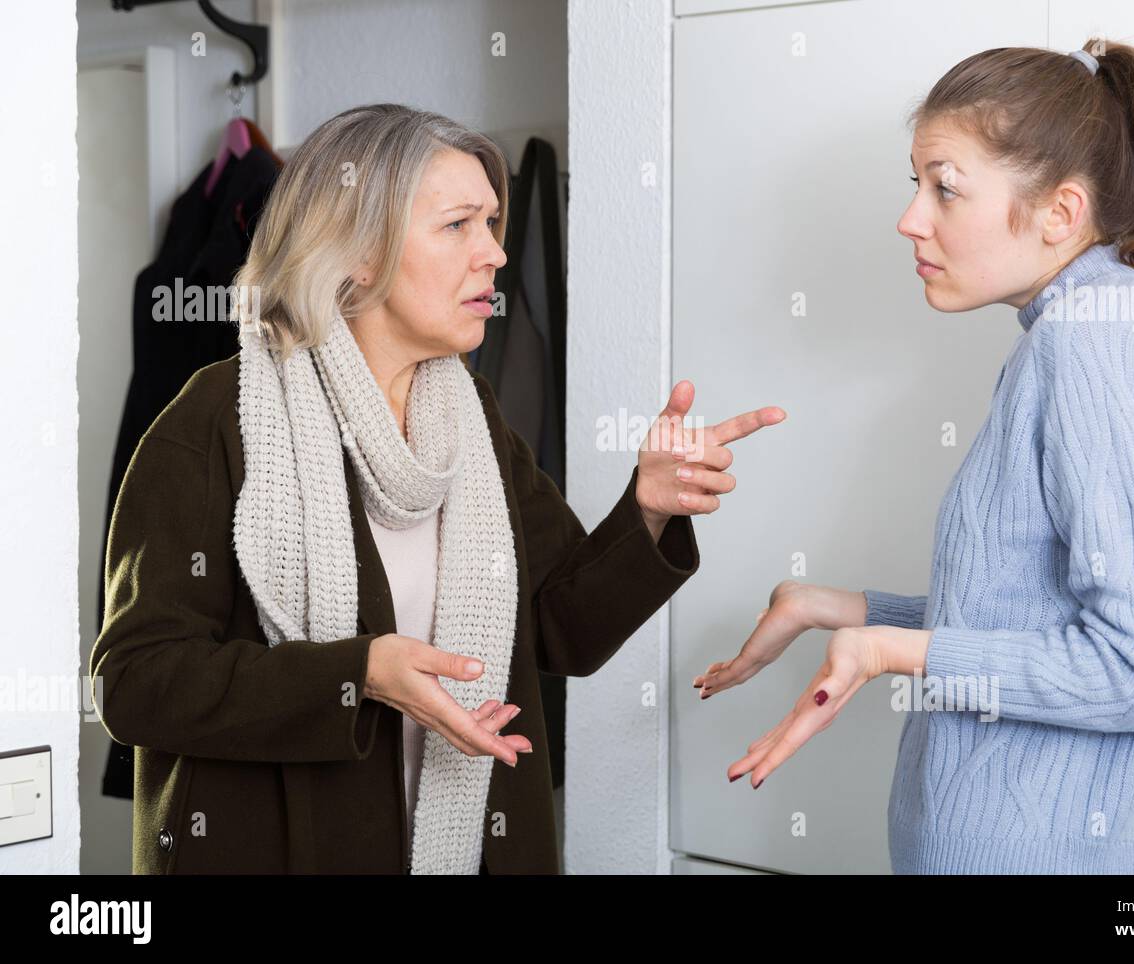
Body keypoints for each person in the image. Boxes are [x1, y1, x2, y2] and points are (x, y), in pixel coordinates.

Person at [91, 103, 785, 874]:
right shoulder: (216, 423)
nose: (492, 254)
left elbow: (564, 628)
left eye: (492, 223)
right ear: (357, 251)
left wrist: (648, 510)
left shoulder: (472, 420)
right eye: (459, 225)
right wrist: (358, 675)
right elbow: (135, 683)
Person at [695, 40, 1134, 874]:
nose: (910, 218)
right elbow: (1028, 623)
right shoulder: (1069, 334)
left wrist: (894, 653)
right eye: (914, 184)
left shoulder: (1098, 348)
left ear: (1060, 214)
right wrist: (842, 609)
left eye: (945, 188)